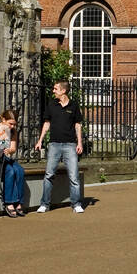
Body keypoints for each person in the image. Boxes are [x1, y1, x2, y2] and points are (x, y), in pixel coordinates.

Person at [33, 80, 85, 214]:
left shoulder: (74, 106)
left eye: (56, 89)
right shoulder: (52, 105)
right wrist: (40, 141)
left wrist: (79, 143)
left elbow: (77, 125)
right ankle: (44, 204)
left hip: (70, 145)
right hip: (54, 144)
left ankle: (76, 204)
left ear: (63, 91)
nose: (53, 91)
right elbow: (46, 123)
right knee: (49, 174)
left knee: (74, 176)